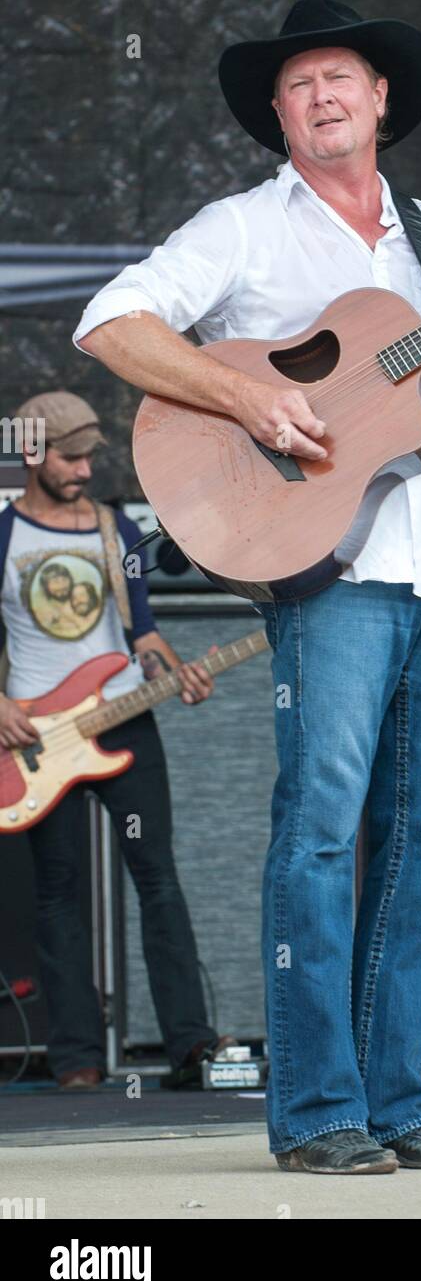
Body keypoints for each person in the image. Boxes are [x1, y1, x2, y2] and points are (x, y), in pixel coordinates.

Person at [73, 0, 421, 1172]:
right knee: (319, 835)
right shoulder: (241, 229)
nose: (322, 95)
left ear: (380, 101)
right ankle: (317, 1110)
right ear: (277, 113)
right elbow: (110, 323)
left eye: (342, 78)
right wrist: (249, 399)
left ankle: (393, 1102)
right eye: (299, 83)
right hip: (331, 575)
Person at [0, 391, 234, 1090]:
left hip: (125, 722)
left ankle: (189, 1048)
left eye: (90, 457)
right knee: (59, 892)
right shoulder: (4, 536)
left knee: (158, 879)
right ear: (33, 455)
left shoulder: (117, 532)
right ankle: (75, 1059)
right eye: (70, 457)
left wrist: (172, 672)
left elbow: (143, 633)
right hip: (41, 734)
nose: (83, 470)